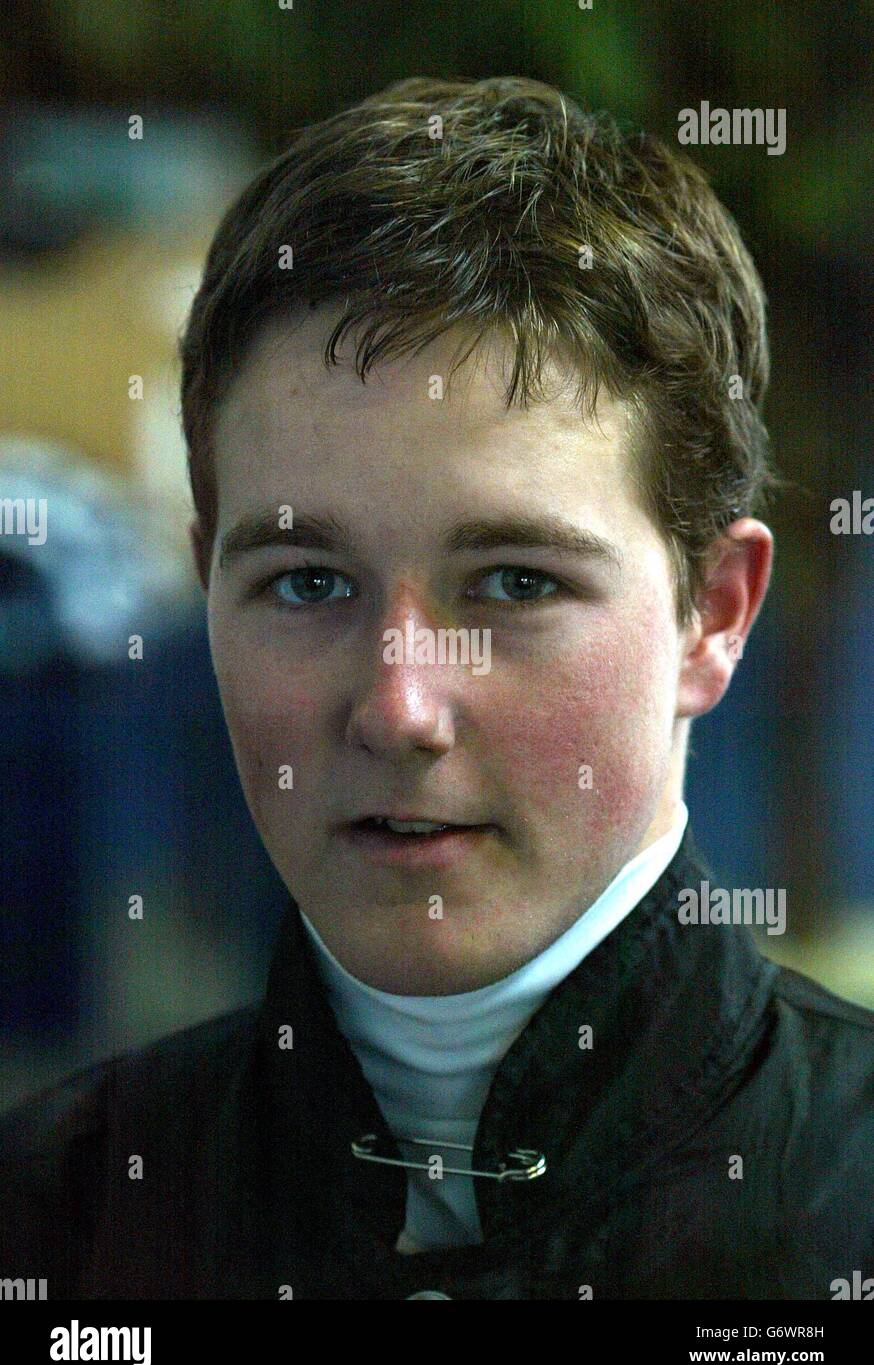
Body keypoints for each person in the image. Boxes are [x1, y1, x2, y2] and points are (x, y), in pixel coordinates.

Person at [2, 76, 872, 1301]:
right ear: (208, 592)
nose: (400, 706)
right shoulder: (50, 1230)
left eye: (513, 583)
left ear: (711, 614)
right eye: (308, 584)